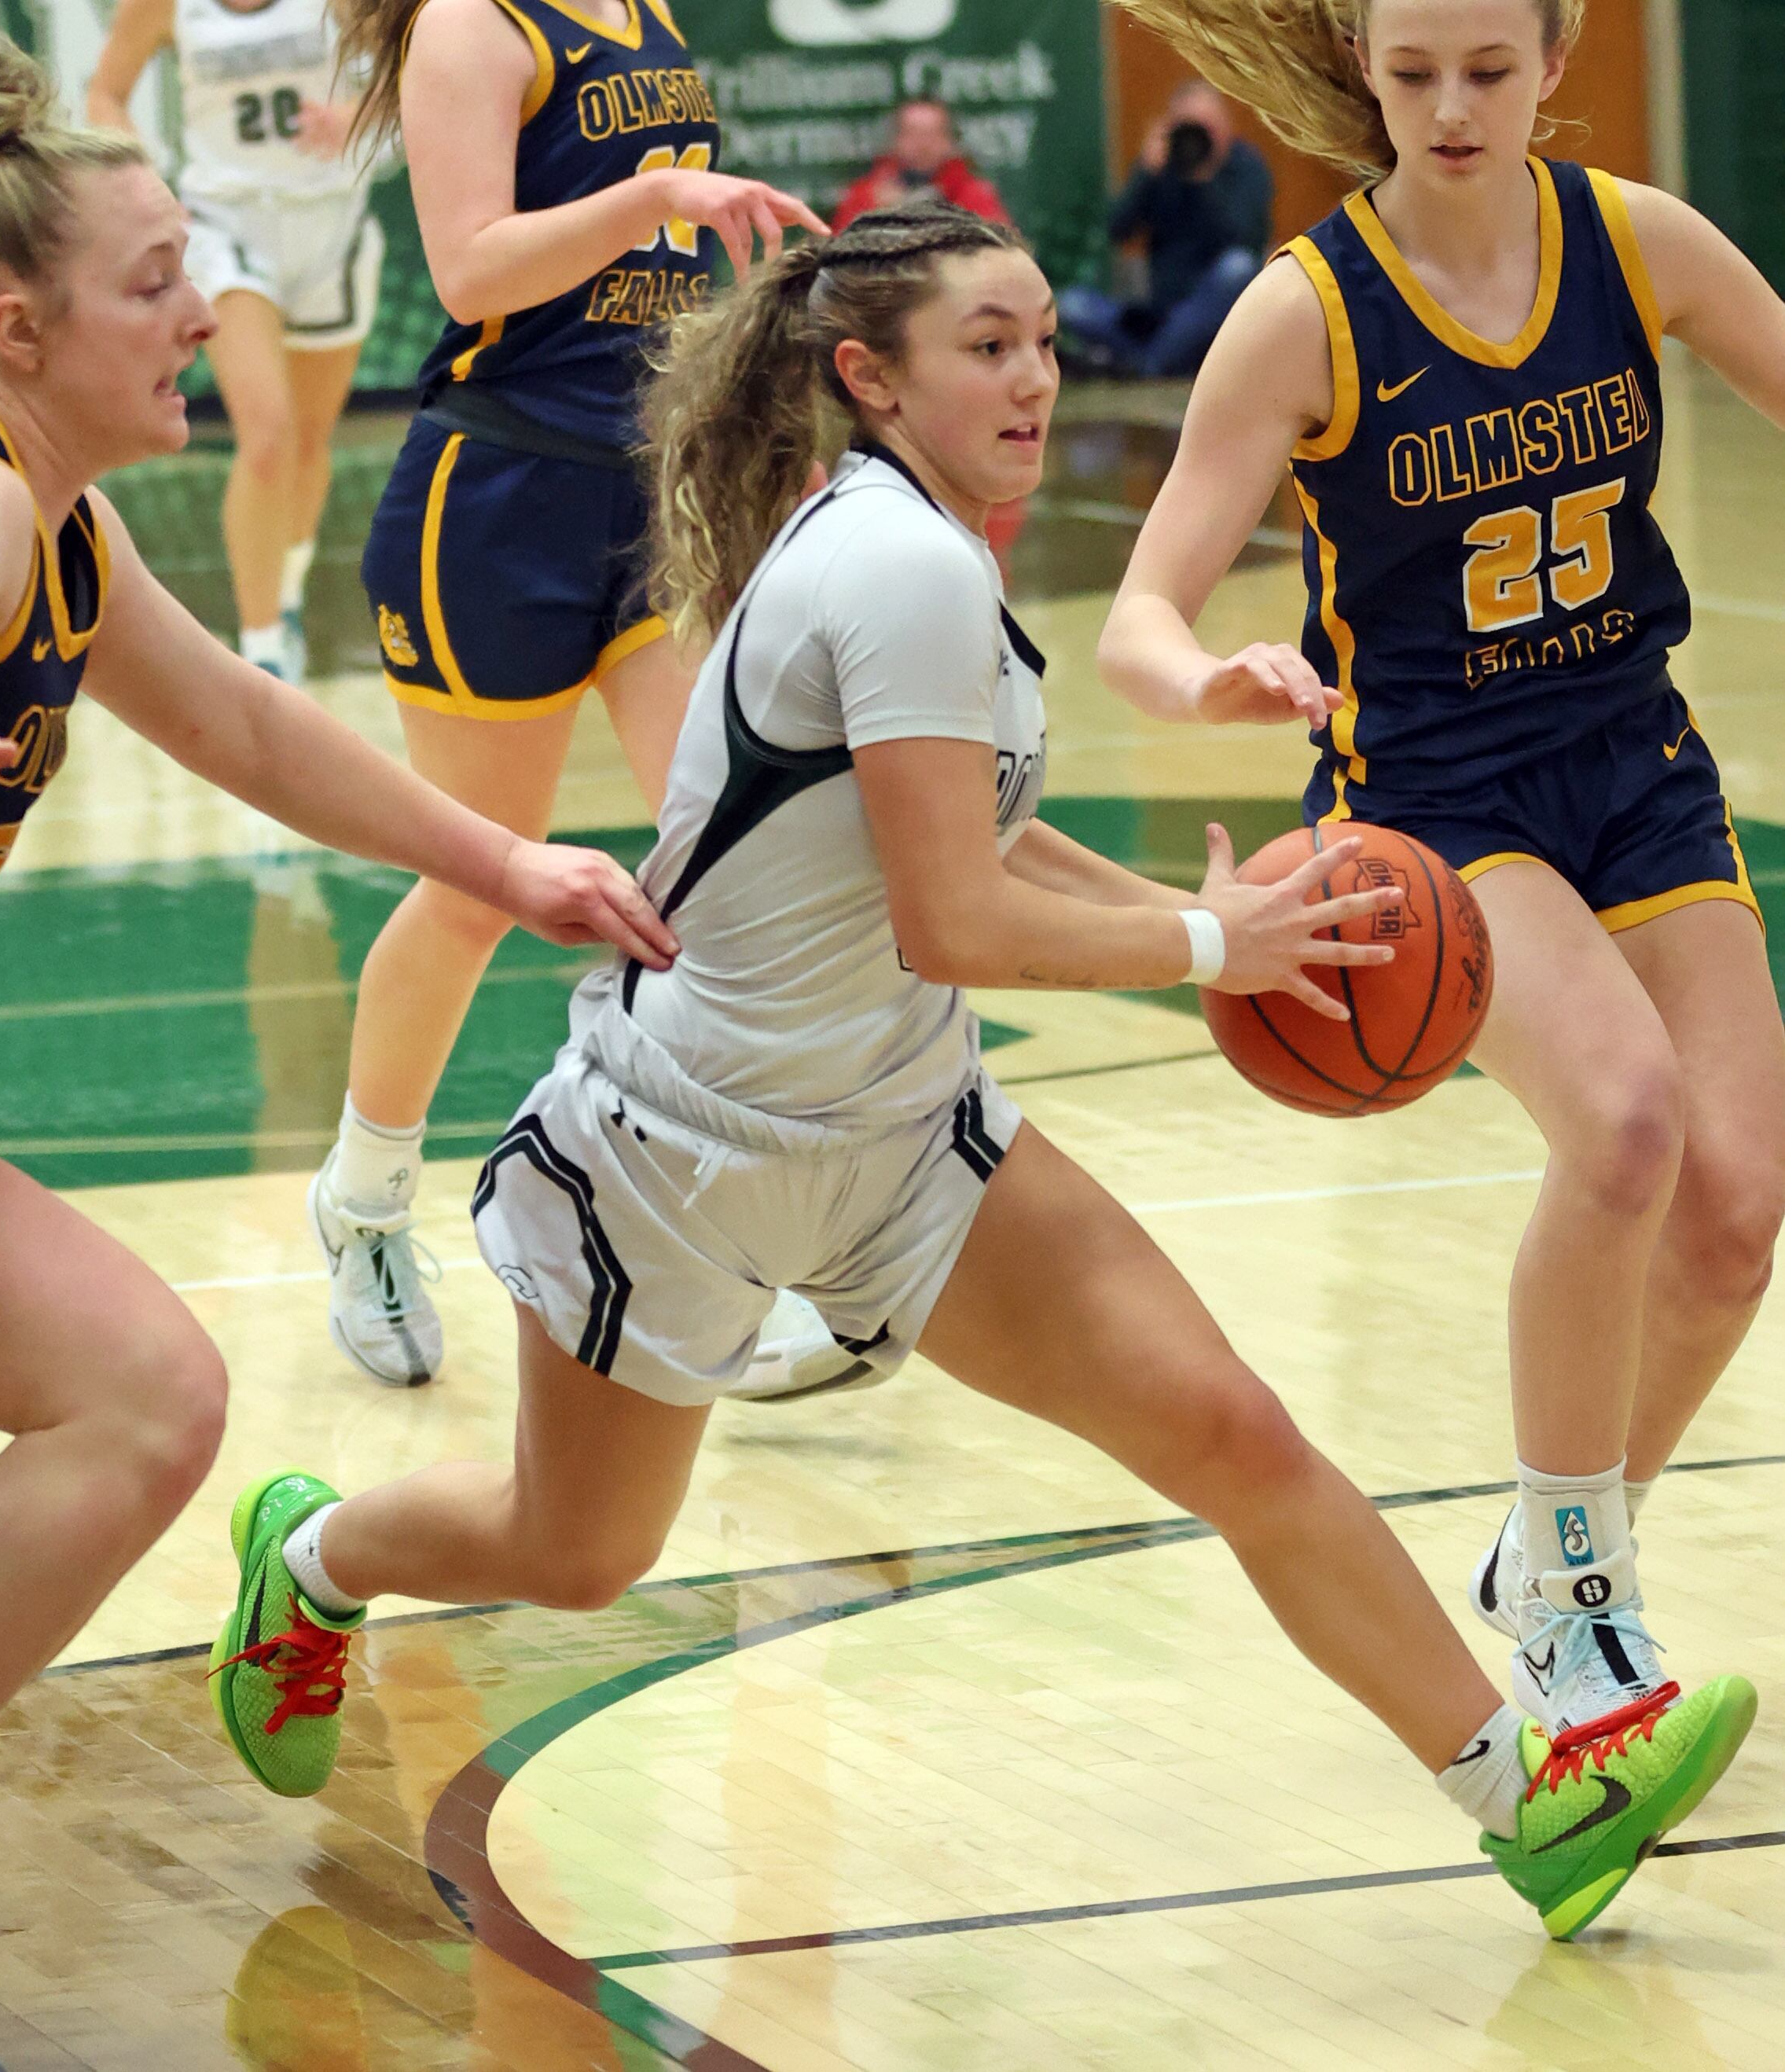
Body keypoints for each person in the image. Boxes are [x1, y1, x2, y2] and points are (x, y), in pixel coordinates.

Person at [207, 201, 1754, 1956]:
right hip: (686, 1143)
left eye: (1039, 339)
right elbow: (953, 918)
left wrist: (1198, 907)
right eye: (987, 349)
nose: (1034, 379)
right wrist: (1204, 959)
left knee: (1234, 1429)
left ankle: (1525, 1800)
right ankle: (317, 1554)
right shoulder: (894, 566)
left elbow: (992, 839)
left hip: (905, 1136)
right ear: (868, 378)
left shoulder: (927, 546)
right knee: (573, 1554)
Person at [0, 43, 678, 2072]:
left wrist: (500, 856)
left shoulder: (68, 529)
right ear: (20, 328)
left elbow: (256, 737)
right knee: (138, 1397)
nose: (201, 309)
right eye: (159, 279)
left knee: (53, 1416)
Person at [1100, 0, 1785, 1739]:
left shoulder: (1637, 246)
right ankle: (1571, 1601)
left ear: (1554, 60)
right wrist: (1203, 678)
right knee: (1624, 1126)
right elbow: (1134, 613)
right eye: (1410, 78)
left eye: (1485, 71)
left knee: (1734, 1207)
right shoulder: (1304, 313)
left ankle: (1561, 1528)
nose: (1447, 111)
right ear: (1365, 71)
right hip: (1432, 802)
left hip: (1631, 767)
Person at [305, 0, 825, 1390]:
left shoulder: (644, 11)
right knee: (478, 884)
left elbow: (653, 280)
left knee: (727, 865)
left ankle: (735, 1240)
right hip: (497, 496)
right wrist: (655, 189)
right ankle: (361, 1202)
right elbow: (472, 272)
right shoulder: (472, 25)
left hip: (651, 486)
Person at [87, 0, 381, 683]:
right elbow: (105, 91)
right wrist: (143, 176)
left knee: (309, 442)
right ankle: (263, 648)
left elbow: (409, 75)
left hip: (329, 222)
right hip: (225, 224)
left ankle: (286, 592)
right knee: (269, 433)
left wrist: (359, 116)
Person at [1058, 81, 1270, 377]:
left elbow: (1245, 240)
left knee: (1237, 267)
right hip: (1161, 311)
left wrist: (1204, 180)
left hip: (1220, 317)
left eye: (1206, 127)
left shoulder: (1246, 166)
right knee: (1071, 305)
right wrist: (1145, 173)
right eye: (1190, 127)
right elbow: (1118, 230)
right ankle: (1164, 356)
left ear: (1226, 126)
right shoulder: (1161, 168)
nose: (1198, 138)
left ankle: (1147, 365)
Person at [832, 97, 1011, 234]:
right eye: (912, 133)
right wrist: (881, 217)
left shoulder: (974, 195)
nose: (922, 144)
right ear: (894, 140)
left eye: (932, 134)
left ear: (950, 141)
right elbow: (839, 256)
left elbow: (997, 250)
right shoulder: (865, 195)